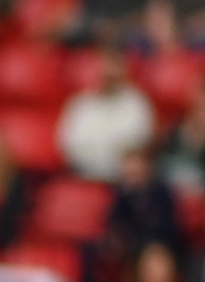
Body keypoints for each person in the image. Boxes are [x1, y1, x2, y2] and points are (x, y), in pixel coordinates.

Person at [56, 47, 154, 183]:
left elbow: (139, 142)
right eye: (103, 70)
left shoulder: (136, 102)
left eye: (112, 70)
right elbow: (68, 146)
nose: (107, 75)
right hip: (83, 177)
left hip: (123, 180)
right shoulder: (79, 104)